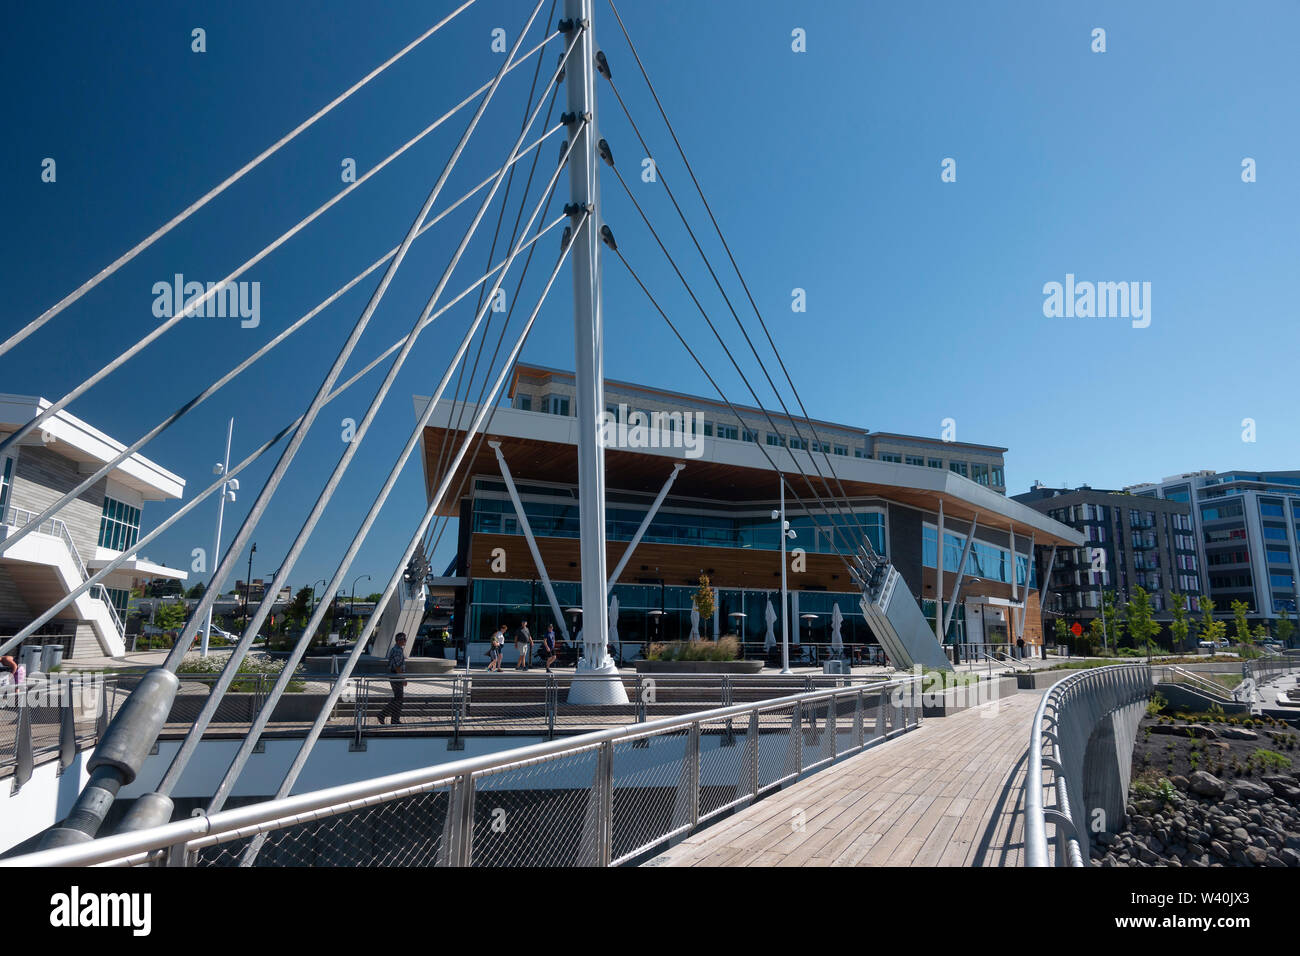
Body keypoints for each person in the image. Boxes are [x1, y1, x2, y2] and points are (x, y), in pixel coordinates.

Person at [378, 633, 407, 725]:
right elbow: (398, 667)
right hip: (396, 676)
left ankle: (394, 720)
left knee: (398, 698)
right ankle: (382, 714)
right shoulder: (397, 651)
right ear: (399, 640)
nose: (405, 641)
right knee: (399, 698)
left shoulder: (397, 649)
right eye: (404, 639)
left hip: (395, 675)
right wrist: (403, 678)